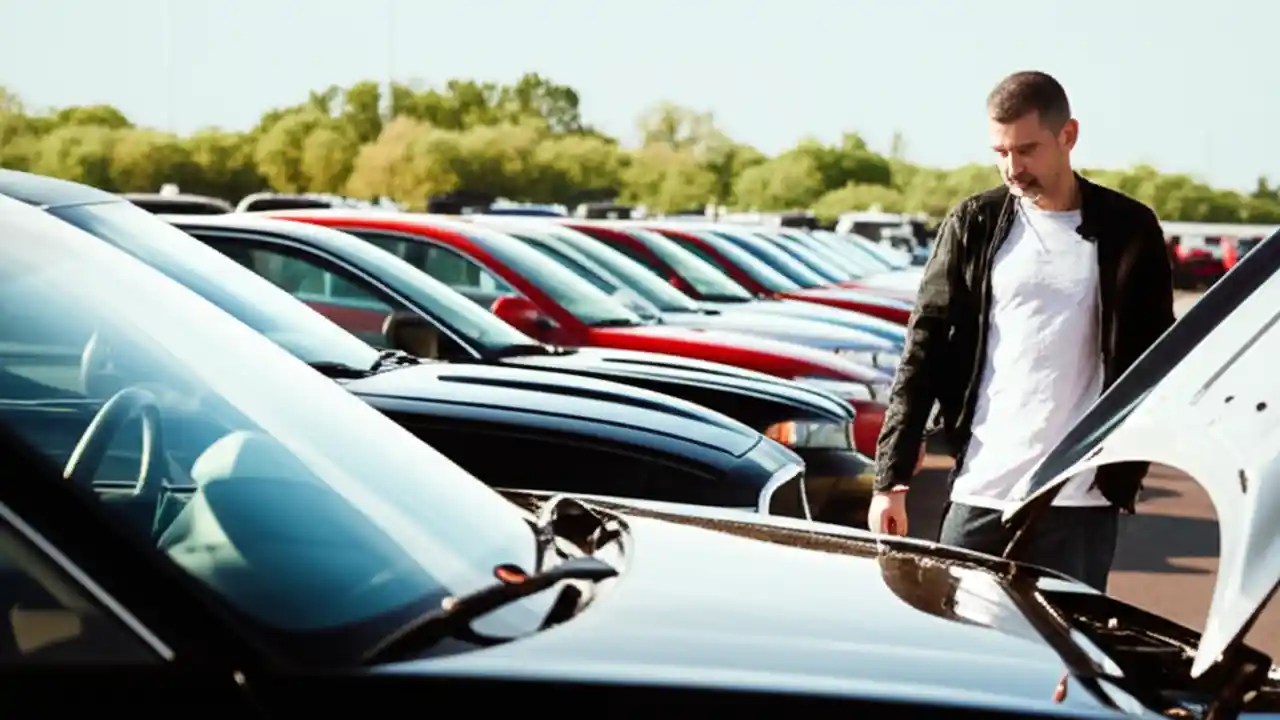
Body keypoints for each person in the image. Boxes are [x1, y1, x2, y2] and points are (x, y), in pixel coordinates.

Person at [866, 70, 1176, 592]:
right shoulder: (974, 224)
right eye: (1001, 152)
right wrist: (890, 480)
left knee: (1068, 662)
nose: (1013, 168)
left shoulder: (1129, 230)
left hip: (1080, 496)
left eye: (1027, 150)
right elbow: (923, 349)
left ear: (1068, 136)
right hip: (982, 488)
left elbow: (1158, 356)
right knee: (961, 651)